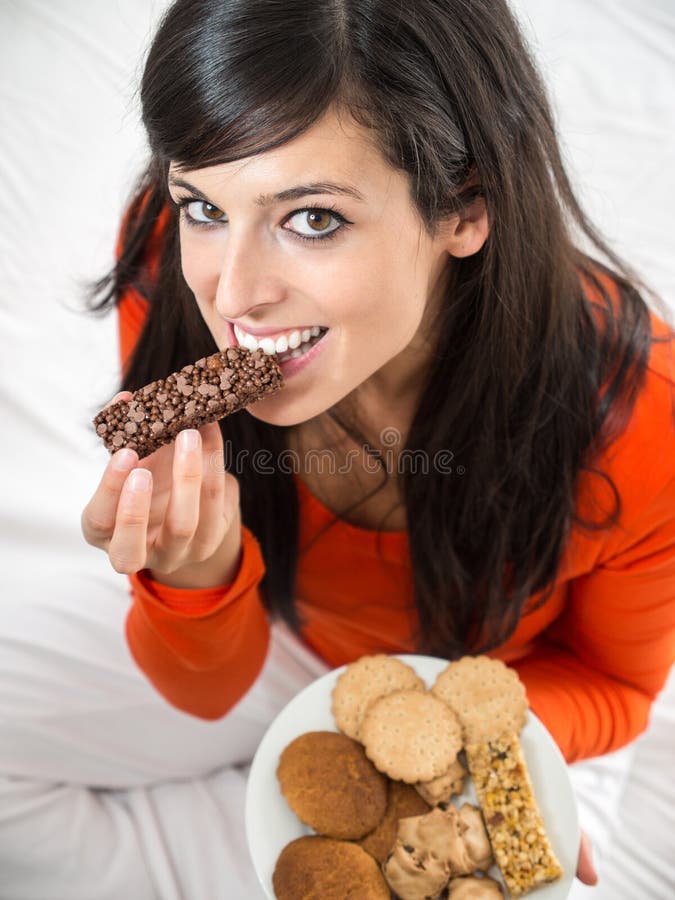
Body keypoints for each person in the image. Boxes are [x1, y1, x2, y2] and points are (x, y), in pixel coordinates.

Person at [81, 0, 674, 889]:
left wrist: (477, 748)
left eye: (312, 218)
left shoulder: (642, 416)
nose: (232, 296)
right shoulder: (170, 266)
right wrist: (194, 577)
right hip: (277, 632)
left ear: (464, 206)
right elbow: (207, 692)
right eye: (203, 205)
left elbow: (615, 687)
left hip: (507, 697)